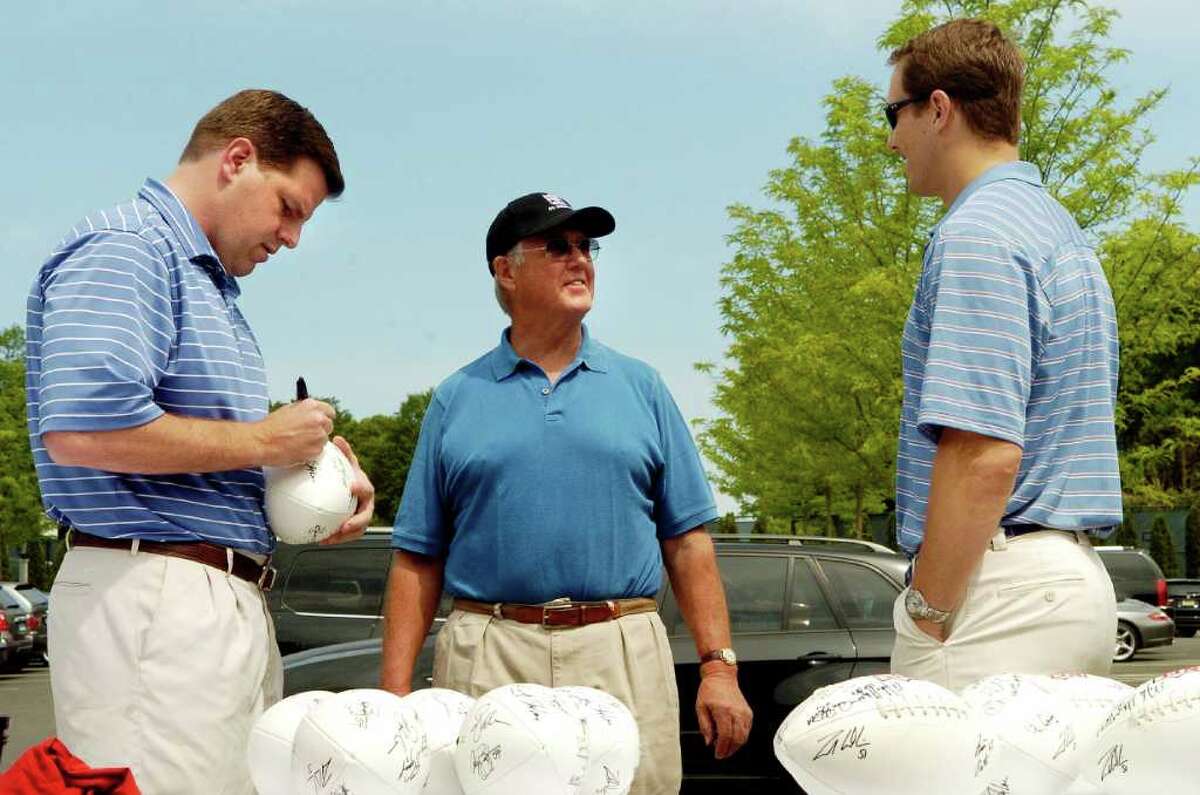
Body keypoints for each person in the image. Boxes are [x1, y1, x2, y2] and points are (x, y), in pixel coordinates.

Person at [26, 89, 376, 792]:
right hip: (154, 596)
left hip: (198, 599)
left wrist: (313, 481)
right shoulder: (128, 248)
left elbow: (206, 449)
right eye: (289, 208)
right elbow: (82, 429)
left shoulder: (203, 283)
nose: (292, 238)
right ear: (238, 159)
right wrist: (265, 440)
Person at [381, 192, 752, 794]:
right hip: (490, 653)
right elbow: (418, 556)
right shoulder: (456, 397)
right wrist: (396, 701)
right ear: (505, 270)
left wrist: (719, 668)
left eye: (586, 247)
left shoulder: (643, 387)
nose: (579, 260)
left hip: (621, 648)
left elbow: (687, 542)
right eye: (556, 247)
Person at [885, 19, 1121, 691]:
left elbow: (985, 452)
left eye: (894, 112)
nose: (890, 138)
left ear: (938, 110)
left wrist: (927, 612)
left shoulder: (977, 235)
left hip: (999, 589)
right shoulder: (1055, 228)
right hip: (1059, 581)